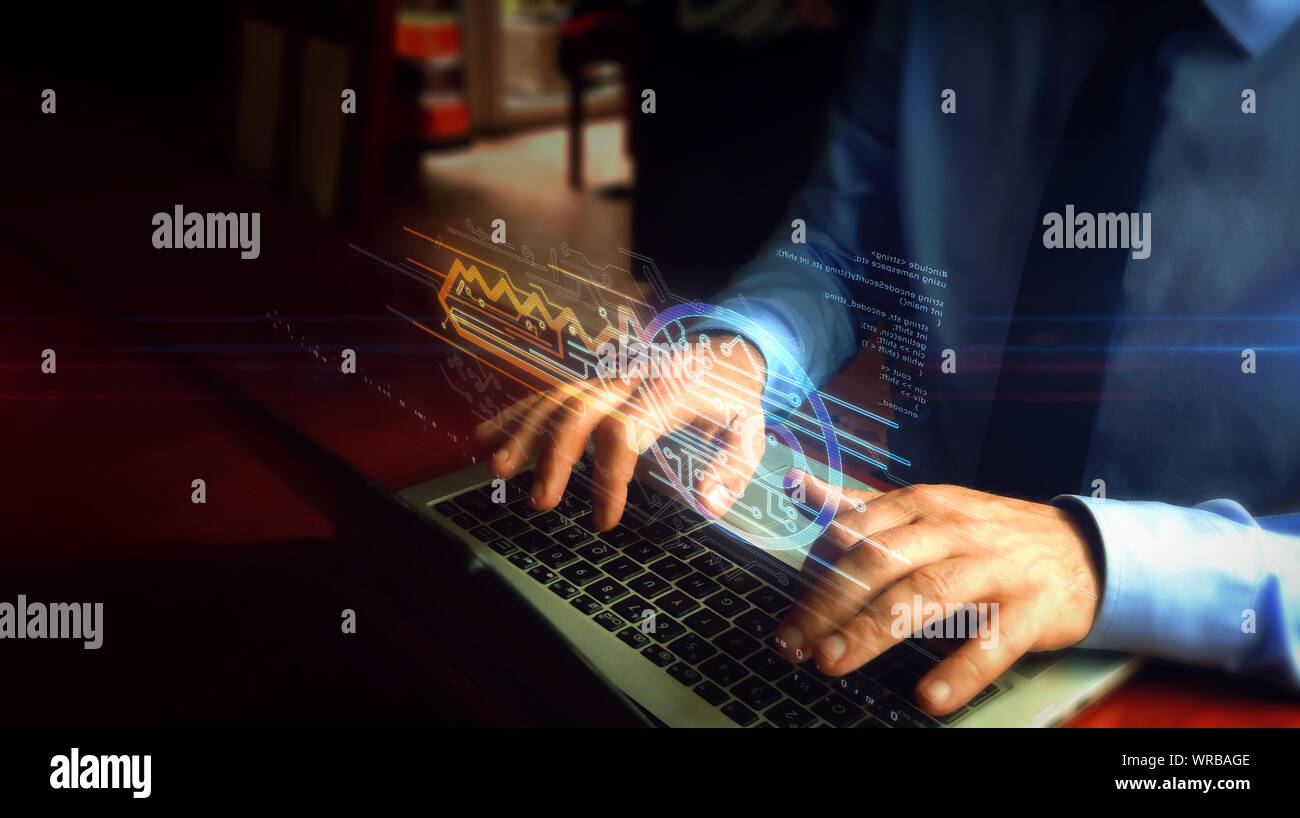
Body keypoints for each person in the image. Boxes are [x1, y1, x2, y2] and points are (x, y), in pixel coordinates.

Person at [476, 0, 1300, 715]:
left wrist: (1098, 558)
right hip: (882, 589)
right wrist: (743, 349)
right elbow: (842, 241)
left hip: (1186, 695)